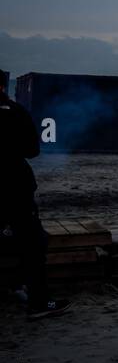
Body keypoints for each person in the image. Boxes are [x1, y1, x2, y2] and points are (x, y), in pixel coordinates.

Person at [0, 86, 72, 319]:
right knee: (34, 243)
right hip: (14, 186)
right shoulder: (14, 111)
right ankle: (40, 303)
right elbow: (32, 150)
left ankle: (15, 284)